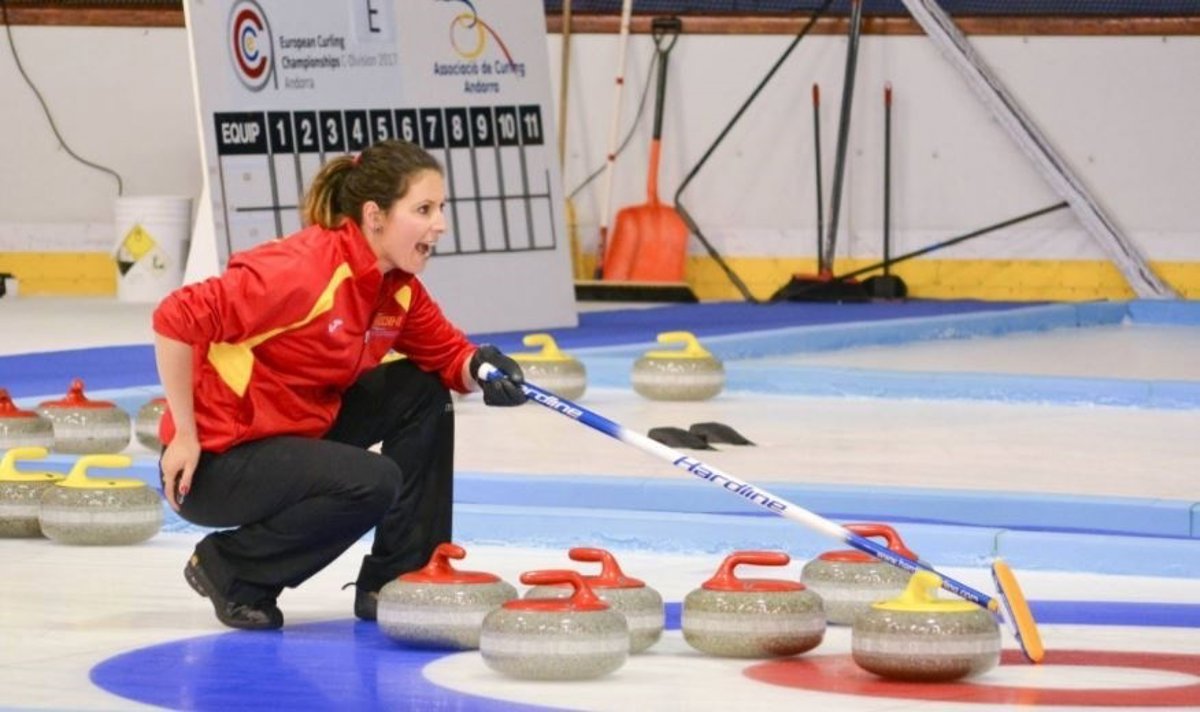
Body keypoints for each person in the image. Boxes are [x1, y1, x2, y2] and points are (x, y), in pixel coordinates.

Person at [153, 139, 527, 630]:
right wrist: (184, 434)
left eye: (441, 208)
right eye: (424, 209)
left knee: (422, 390)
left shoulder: (395, 287)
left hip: (296, 435)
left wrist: (484, 370)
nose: (440, 224)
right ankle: (234, 569)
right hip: (219, 461)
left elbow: (449, 356)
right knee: (372, 481)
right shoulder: (303, 271)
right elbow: (174, 317)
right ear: (375, 216)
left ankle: (398, 578)